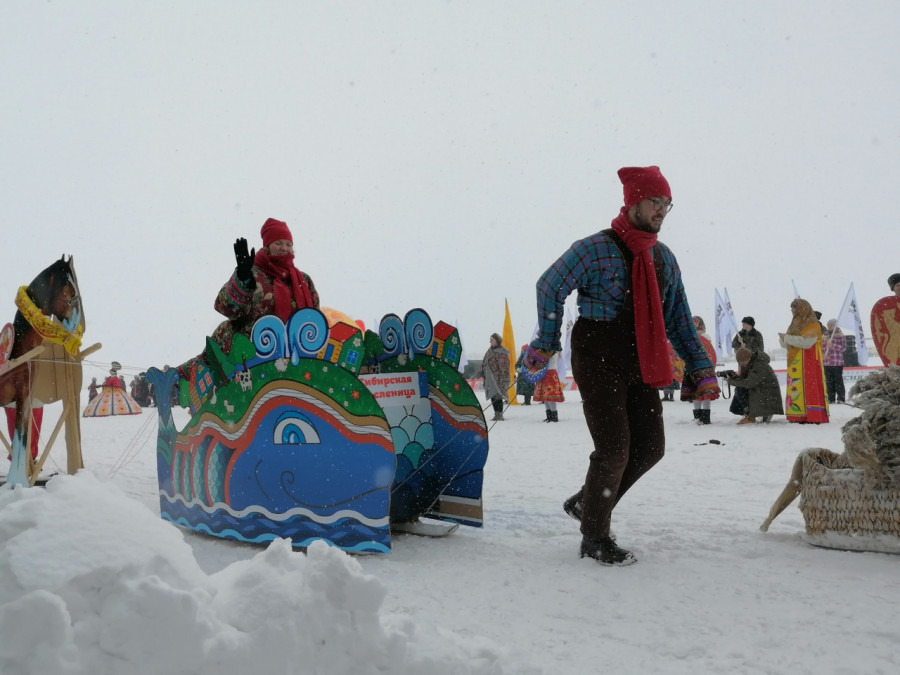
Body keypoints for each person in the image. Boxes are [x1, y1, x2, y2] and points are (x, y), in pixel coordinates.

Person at [528, 165, 719, 566]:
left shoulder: (663, 259)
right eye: (656, 201)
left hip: (642, 357)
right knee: (614, 447)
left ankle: (588, 502)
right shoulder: (594, 248)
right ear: (634, 201)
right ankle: (594, 536)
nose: (663, 209)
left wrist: (701, 369)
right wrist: (546, 342)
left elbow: (680, 319)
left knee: (650, 447)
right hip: (597, 354)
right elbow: (550, 284)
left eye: (668, 203)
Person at [177, 218, 319, 379]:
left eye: (288, 244)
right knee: (223, 333)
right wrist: (242, 281)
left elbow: (313, 317)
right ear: (267, 245)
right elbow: (225, 307)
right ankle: (177, 379)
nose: (284, 248)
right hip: (251, 352)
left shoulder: (303, 280)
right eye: (278, 243)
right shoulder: (252, 273)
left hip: (294, 352)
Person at [779, 298, 829, 424]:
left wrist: (788, 338)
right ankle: (797, 416)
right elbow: (788, 343)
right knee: (797, 388)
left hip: (809, 361)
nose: (792, 310)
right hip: (796, 362)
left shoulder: (813, 325)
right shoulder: (794, 324)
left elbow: (807, 343)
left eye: (794, 307)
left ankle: (813, 415)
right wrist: (783, 339)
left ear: (801, 308)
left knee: (809, 386)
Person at [721, 347, 783, 424]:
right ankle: (753, 414)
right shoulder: (752, 363)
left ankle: (751, 416)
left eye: (744, 360)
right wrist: (734, 377)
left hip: (767, 395)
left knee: (740, 389)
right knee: (741, 388)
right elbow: (747, 380)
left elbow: (749, 383)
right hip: (763, 392)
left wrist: (731, 381)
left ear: (750, 357)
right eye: (740, 361)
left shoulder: (759, 365)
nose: (742, 363)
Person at [730, 316, 764, 419]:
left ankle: (756, 410)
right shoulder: (740, 333)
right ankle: (745, 410)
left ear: (750, 324)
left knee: (752, 386)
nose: (743, 325)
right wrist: (738, 345)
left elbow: (759, 349)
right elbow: (734, 343)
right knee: (742, 385)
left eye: (744, 323)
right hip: (743, 364)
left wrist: (746, 347)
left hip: (753, 364)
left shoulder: (757, 335)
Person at [477, 333, 510, 421]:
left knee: (498, 396)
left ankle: (499, 414)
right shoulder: (489, 351)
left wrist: (504, 379)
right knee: (493, 396)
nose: (490, 341)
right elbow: (484, 363)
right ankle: (496, 413)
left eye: (492, 340)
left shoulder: (502, 352)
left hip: (498, 379)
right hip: (489, 378)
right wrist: (480, 372)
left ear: (497, 341)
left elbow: (504, 366)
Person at [692, 316, 717, 425]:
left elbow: (709, 352)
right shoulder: (689, 336)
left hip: (705, 367)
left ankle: (705, 417)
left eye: (696, 322)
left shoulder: (705, 337)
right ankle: (698, 417)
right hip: (693, 367)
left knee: (705, 393)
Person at [533, 351, 564, 422]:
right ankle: (549, 416)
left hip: (550, 373)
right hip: (544, 373)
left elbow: (544, 360)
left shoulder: (553, 351)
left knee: (550, 395)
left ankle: (554, 416)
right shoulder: (545, 351)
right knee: (545, 396)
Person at [821, 319, 847, 404]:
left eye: (831, 325)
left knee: (838, 381)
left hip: (837, 362)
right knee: (829, 381)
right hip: (827, 363)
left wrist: (832, 345)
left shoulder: (840, 335)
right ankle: (830, 398)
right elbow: (821, 348)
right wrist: (823, 354)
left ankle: (841, 398)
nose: (829, 326)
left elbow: (843, 348)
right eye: (828, 325)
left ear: (835, 325)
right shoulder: (824, 336)